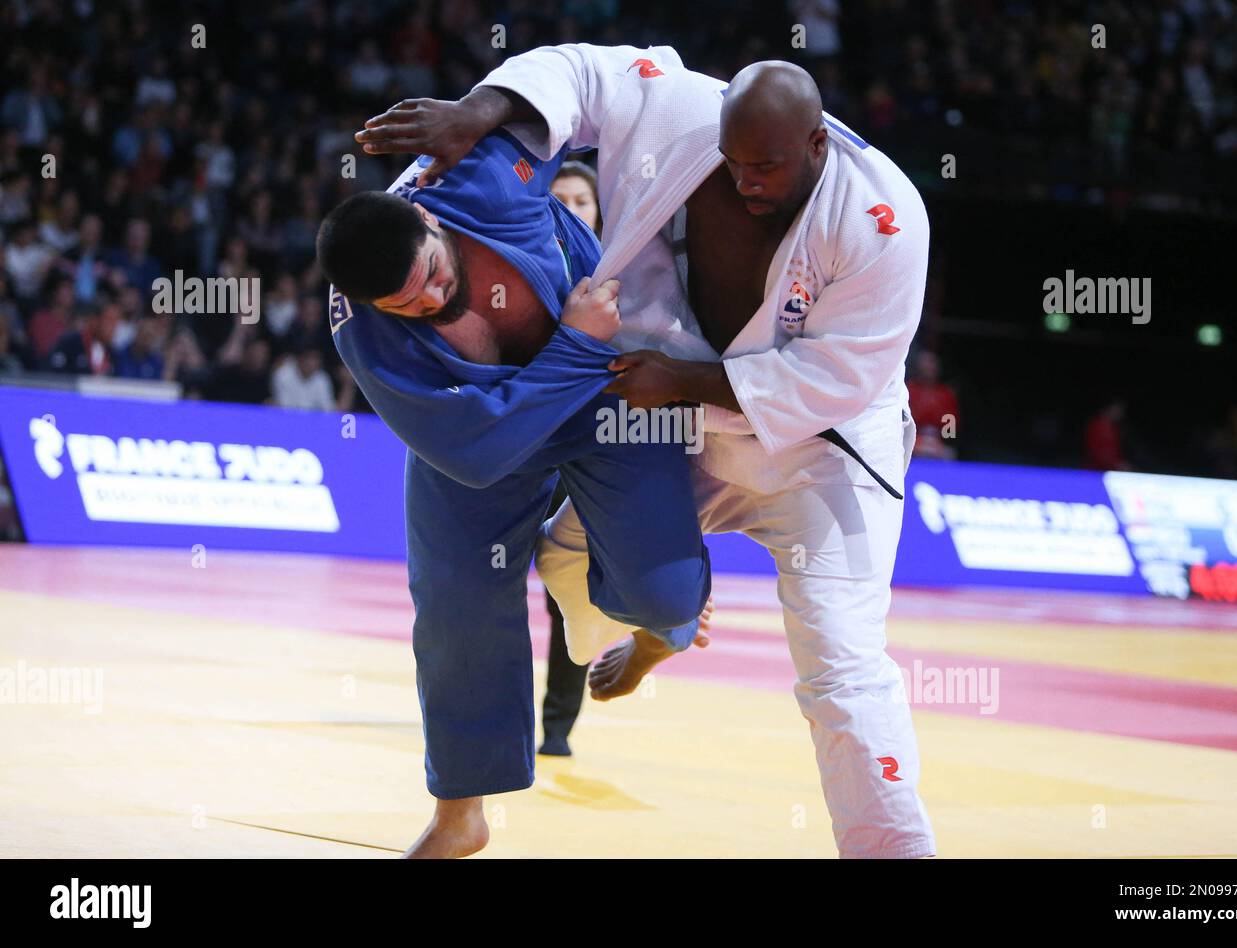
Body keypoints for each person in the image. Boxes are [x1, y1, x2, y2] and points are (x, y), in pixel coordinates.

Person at [357, 44, 934, 859]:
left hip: (819, 457)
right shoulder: (686, 115)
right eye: (733, 162)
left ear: (817, 147)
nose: (745, 182)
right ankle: (510, 764)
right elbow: (585, 72)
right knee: (555, 566)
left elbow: (838, 379)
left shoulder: (884, 221)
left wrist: (684, 380)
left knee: (841, 667)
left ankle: (895, 852)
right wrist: (478, 111)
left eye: (766, 167)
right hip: (672, 416)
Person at [320, 117, 711, 857]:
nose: (431, 300)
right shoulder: (365, 336)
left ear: (428, 218)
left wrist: (487, 105)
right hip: (484, 435)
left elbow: (581, 96)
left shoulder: (482, 176)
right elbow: (475, 455)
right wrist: (572, 342)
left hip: (606, 396)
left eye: (433, 273)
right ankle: (459, 815)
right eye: (408, 304)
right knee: (453, 602)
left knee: (664, 594)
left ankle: (659, 625)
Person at [537, 159, 603, 757]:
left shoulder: (621, 280)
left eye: (581, 201)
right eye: (558, 199)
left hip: (590, 449)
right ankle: (494, 725)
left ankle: (557, 726)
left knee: (568, 593)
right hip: (528, 446)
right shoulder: (519, 278)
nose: (570, 210)